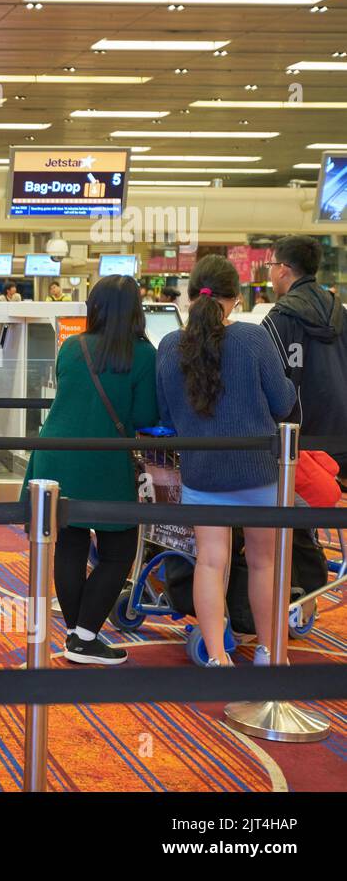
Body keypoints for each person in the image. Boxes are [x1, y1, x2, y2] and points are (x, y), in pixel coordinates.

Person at [156, 255, 296, 667]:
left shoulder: (170, 346)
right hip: (258, 470)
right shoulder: (253, 339)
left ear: (191, 293)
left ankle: (217, 657)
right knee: (264, 561)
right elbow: (284, 403)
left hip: (202, 471)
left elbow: (166, 416)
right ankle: (271, 652)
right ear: (235, 297)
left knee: (211, 562)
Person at [22, 276, 158, 664]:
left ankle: (76, 633)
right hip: (105, 459)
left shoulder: (71, 346)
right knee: (118, 550)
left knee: (70, 543)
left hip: (55, 455)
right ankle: (83, 636)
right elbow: (146, 415)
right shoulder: (143, 355)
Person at [262, 235, 347, 475]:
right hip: (342, 442)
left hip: (302, 450)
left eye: (271, 266)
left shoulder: (278, 319)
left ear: (283, 270)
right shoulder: (340, 313)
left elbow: (269, 390)